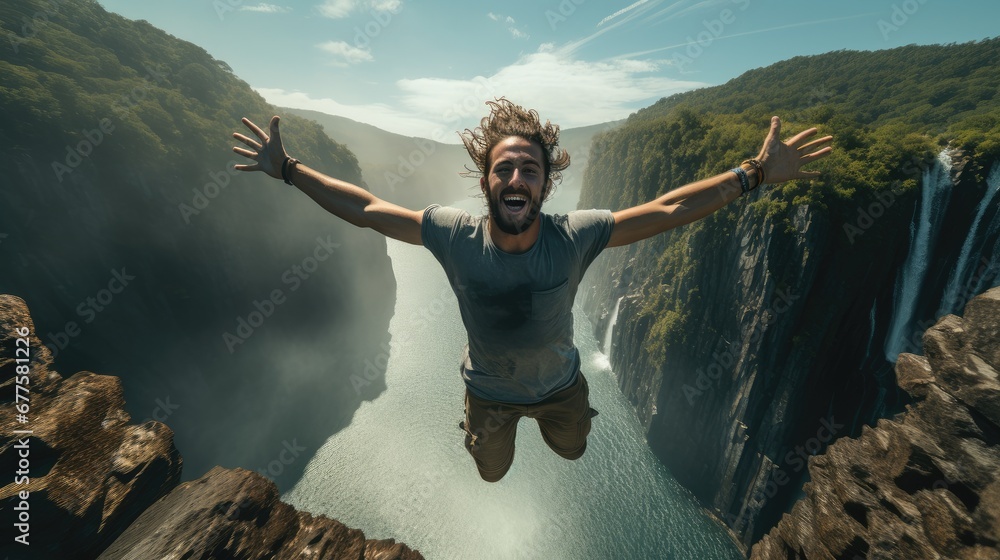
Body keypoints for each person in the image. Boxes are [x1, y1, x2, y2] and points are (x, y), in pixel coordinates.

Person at [231, 98, 832, 482]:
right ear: (486, 179)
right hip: (487, 395)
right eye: (504, 168)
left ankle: (546, 423)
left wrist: (752, 173)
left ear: (546, 185)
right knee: (491, 473)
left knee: (571, 452)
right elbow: (367, 208)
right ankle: (480, 428)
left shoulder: (577, 237)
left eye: (530, 170)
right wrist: (288, 169)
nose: (516, 178)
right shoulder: (452, 234)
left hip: (561, 388)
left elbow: (668, 207)